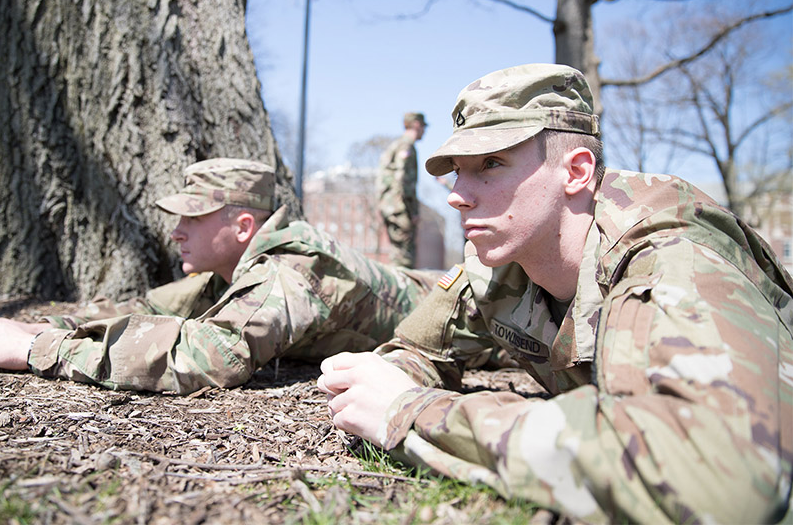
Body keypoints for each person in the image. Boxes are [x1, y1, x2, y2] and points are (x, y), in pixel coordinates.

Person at [318, 64, 793, 524]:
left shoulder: (670, 259)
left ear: (577, 171)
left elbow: (720, 480)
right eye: (458, 171)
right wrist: (382, 384)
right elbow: (418, 352)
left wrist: (413, 413)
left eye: (491, 164)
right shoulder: (500, 265)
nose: (457, 195)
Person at [0, 158, 439, 394]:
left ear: (243, 226)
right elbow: (148, 309)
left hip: (452, 314)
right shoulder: (229, 271)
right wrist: (47, 328)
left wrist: (40, 352)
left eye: (193, 218)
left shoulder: (287, 270)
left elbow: (211, 356)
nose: (176, 232)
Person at [376, 112, 427, 268]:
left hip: (391, 206)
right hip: (400, 208)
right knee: (404, 258)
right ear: (417, 124)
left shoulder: (396, 144)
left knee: (397, 253)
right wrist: (413, 212)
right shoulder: (406, 146)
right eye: (424, 126)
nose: (424, 131)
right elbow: (402, 179)